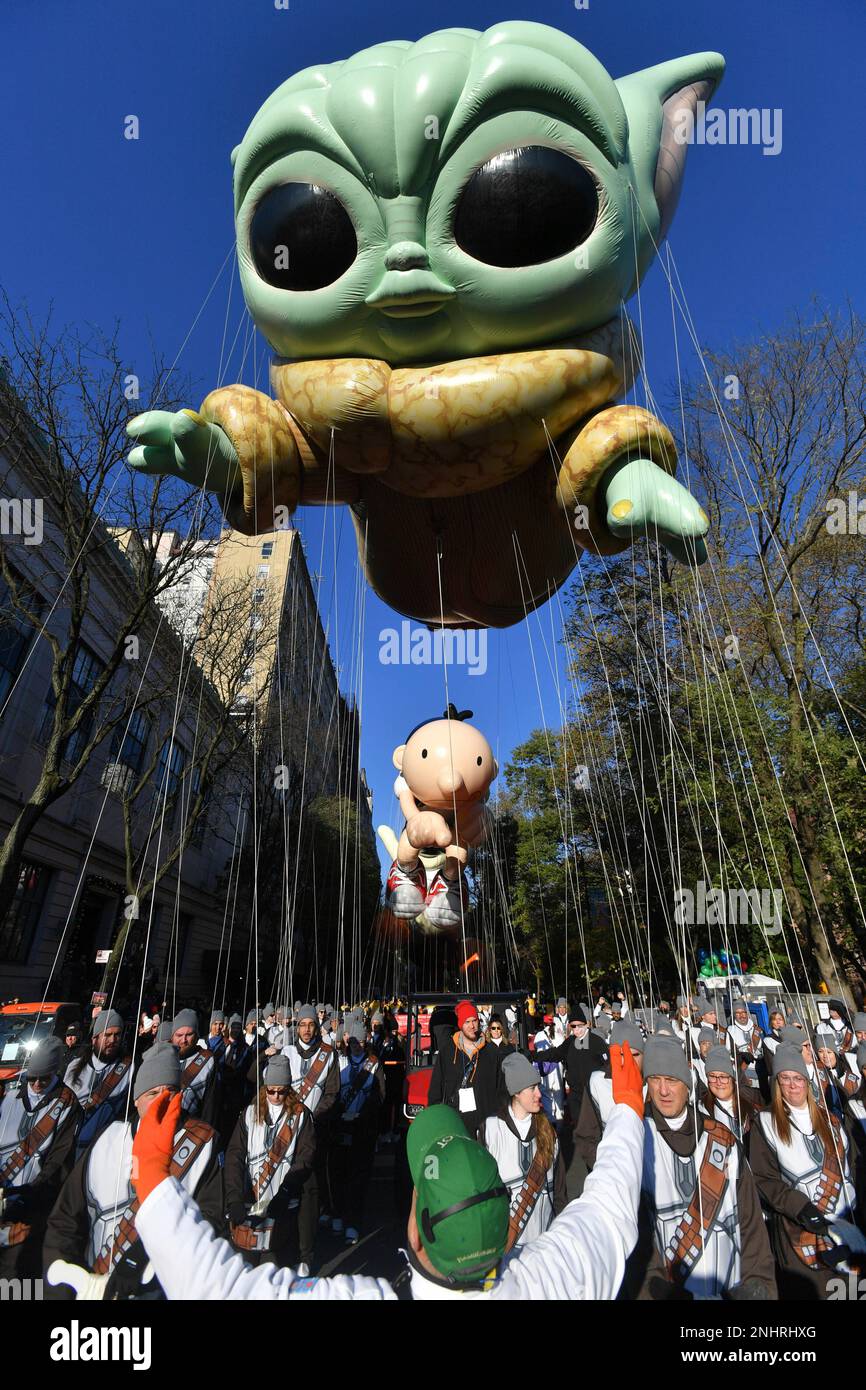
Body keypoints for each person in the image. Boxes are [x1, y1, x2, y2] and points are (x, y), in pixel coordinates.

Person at [119, 1044, 645, 1299]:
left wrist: (151, 1175)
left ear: (416, 1222)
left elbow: (217, 1288)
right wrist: (627, 1111)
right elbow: (608, 1208)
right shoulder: (552, 1279)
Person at [44, 1041, 222, 1301]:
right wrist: (63, 1289)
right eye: (152, 1093)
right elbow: (65, 1219)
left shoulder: (203, 1143)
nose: (162, 1101)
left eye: (170, 1092)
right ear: (137, 1099)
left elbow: (210, 1221)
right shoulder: (108, 1139)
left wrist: (146, 1254)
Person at [624, 1035, 777, 1300]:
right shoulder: (636, 1142)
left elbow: (750, 1222)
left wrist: (760, 1284)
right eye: (655, 1079)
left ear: (687, 1084)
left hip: (732, 1287)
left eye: (671, 1080)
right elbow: (634, 1238)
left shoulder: (723, 1138)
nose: (663, 1090)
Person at [749, 1042, 861, 1299]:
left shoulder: (830, 1120)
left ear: (806, 1081)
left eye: (797, 1078)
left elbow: (853, 1167)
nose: (792, 1085)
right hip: (799, 1235)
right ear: (777, 1083)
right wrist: (800, 1207)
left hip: (846, 1229)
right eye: (785, 1078)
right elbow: (763, 1178)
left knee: (852, 1293)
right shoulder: (764, 1123)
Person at [0, 1038, 81, 1279]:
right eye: (31, 1078)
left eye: (43, 1078)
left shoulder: (67, 1103)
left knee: (15, 1276)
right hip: (3, 1193)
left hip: (30, 1204)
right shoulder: (9, 1096)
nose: (36, 1084)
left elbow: (60, 1158)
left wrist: (29, 1194)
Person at [224, 1055, 314, 1270]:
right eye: (271, 1090)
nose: (276, 1096)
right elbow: (234, 1156)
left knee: (275, 1269)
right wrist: (234, 1198)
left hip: (283, 1205)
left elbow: (305, 1158)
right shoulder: (249, 1113)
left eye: (282, 1091)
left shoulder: (301, 1115)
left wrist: (285, 1192)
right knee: (246, 1271)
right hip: (250, 1203)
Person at [478, 1053, 566, 1250]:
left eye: (538, 1086)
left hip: (546, 1246)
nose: (538, 1093)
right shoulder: (491, 1130)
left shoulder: (549, 1131)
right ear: (516, 1092)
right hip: (507, 1250)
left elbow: (560, 1192)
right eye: (532, 1088)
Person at [279, 1003, 339, 1267]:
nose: (306, 1029)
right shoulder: (286, 1052)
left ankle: (306, 1253)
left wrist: (313, 1118)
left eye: (311, 1024)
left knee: (309, 1193)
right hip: (285, 1132)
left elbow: (332, 1092)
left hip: (313, 1131)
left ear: (317, 1027)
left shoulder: (329, 1055)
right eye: (302, 1024)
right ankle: (285, 1248)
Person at [328, 1021, 385, 1244]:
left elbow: (379, 1095)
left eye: (361, 1042)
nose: (356, 1046)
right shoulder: (339, 1062)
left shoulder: (374, 1065)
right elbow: (331, 1091)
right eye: (353, 1041)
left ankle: (353, 1221)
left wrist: (362, 1115)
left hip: (362, 1127)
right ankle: (338, 1214)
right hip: (340, 1125)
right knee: (337, 1174)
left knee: (358, 1177)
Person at [574, 1021, 644, 1172]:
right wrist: (605, 1168)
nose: (629, 1062)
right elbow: (586, 1137)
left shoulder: (654, 1083)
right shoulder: (597, 1082)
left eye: (635, 1055)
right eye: (621, 1055)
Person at [427, 999, 502, 1138]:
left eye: (474, 1020)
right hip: (456, 1122)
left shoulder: (491, 1052)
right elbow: (436, 1089)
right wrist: (436, 1118)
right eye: (467, 1022)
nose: (472, 1026)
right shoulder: (448, 1051)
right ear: (460, 1024)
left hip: (487, 1124)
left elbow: (500, 1088)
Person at [64, 1007, 132, 1159]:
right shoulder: (74, 1067)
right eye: (107, 1035)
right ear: (95, 1038)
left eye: (117, 1035)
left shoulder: (131, 1067)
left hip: (107, 1150)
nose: (113, 1040)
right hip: (71, 1148)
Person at [699, 1045, 763, 1149]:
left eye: (723, 1076)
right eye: (713, 1076)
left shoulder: (751, 1108)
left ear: (732, 1079)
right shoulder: (700, 1110)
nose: (718, 1082)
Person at [171, 1009, 218, 1125]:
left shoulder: (208, 1060)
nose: (184, 1040)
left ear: (196, 1036)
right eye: (179, 1035)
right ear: (172, 1036)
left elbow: (210, 1105)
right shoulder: (162, 1056)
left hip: (189, 1128)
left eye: (189, 1035)